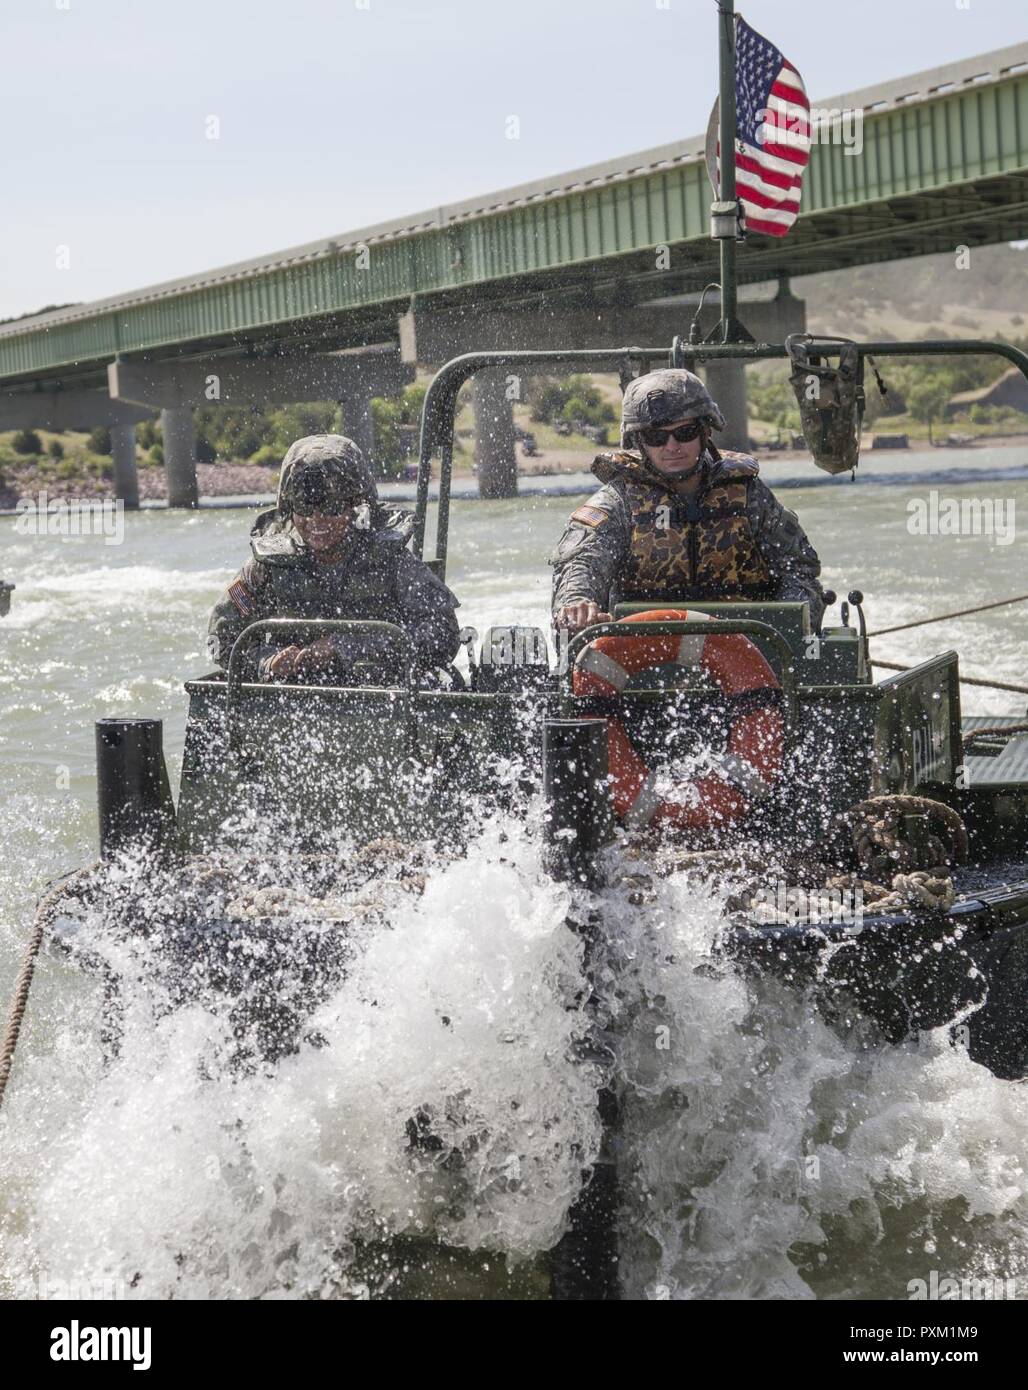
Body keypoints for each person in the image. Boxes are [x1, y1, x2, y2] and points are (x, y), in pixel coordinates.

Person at [551, 369, 825, 632]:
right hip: (639, 653)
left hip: (750, 649)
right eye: (656, 436)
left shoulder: (748, 495)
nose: (671, 446)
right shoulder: (618, 503)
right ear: (639, 442)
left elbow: (798, 570)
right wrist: (576, 604)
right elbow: (582, 564)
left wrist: (789, 622)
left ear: (706, 432)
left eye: (684, 433)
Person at [207, 434, 460, 682]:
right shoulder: (268, 567)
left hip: (381, 698)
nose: (317, 520)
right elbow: (220, 639)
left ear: (357, 506)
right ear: (289, 508)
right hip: (292, 703)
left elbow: (443, 633)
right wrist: (267, 662)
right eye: (305, 507)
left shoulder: (391, 561)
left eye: (331, 508)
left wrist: (345, 648)